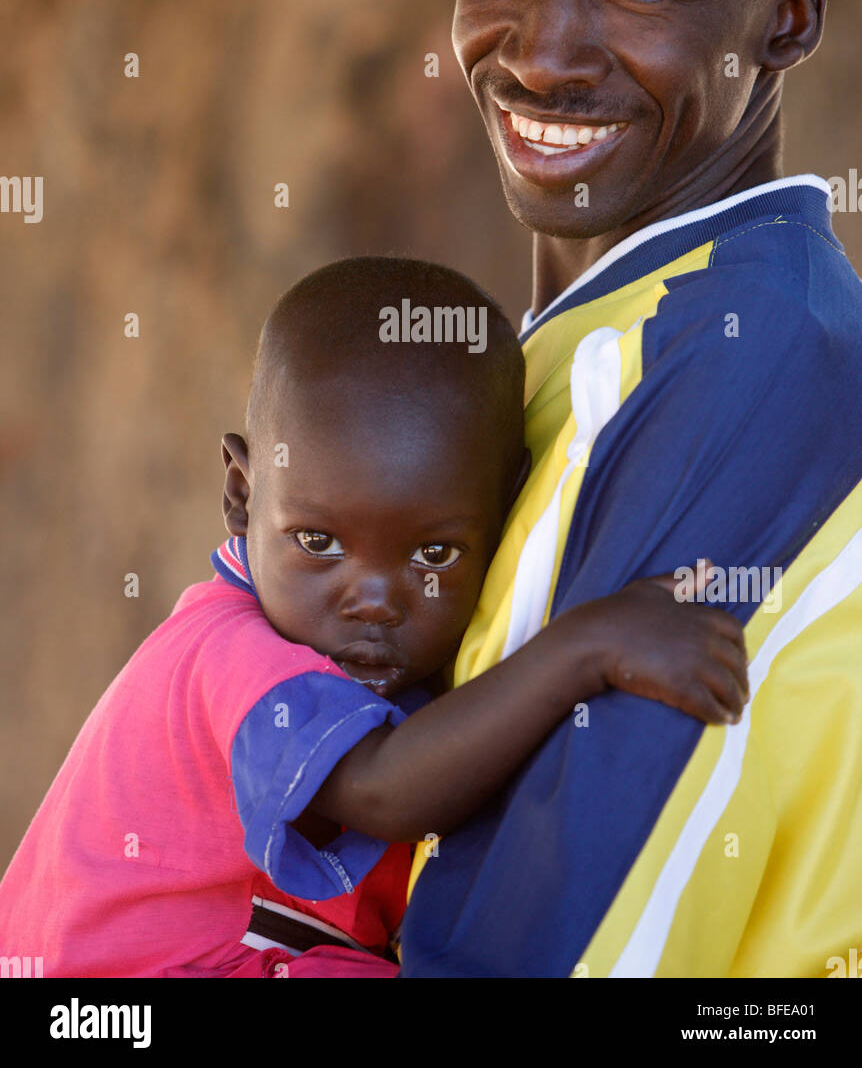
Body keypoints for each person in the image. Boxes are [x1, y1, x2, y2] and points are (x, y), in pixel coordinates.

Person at [400, 0, 862, 978]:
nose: (540, 57)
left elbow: (576, 947)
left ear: (787, 19)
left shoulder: (733, 359)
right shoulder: (630, 336)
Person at [0, 256, 747, 978]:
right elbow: (382, 792)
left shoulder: (390, 663)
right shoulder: (227, 656)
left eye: (434, 554)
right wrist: (584, 648)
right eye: (319, 543)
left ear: (509, 508)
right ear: (241, 493)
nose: (376, 600)